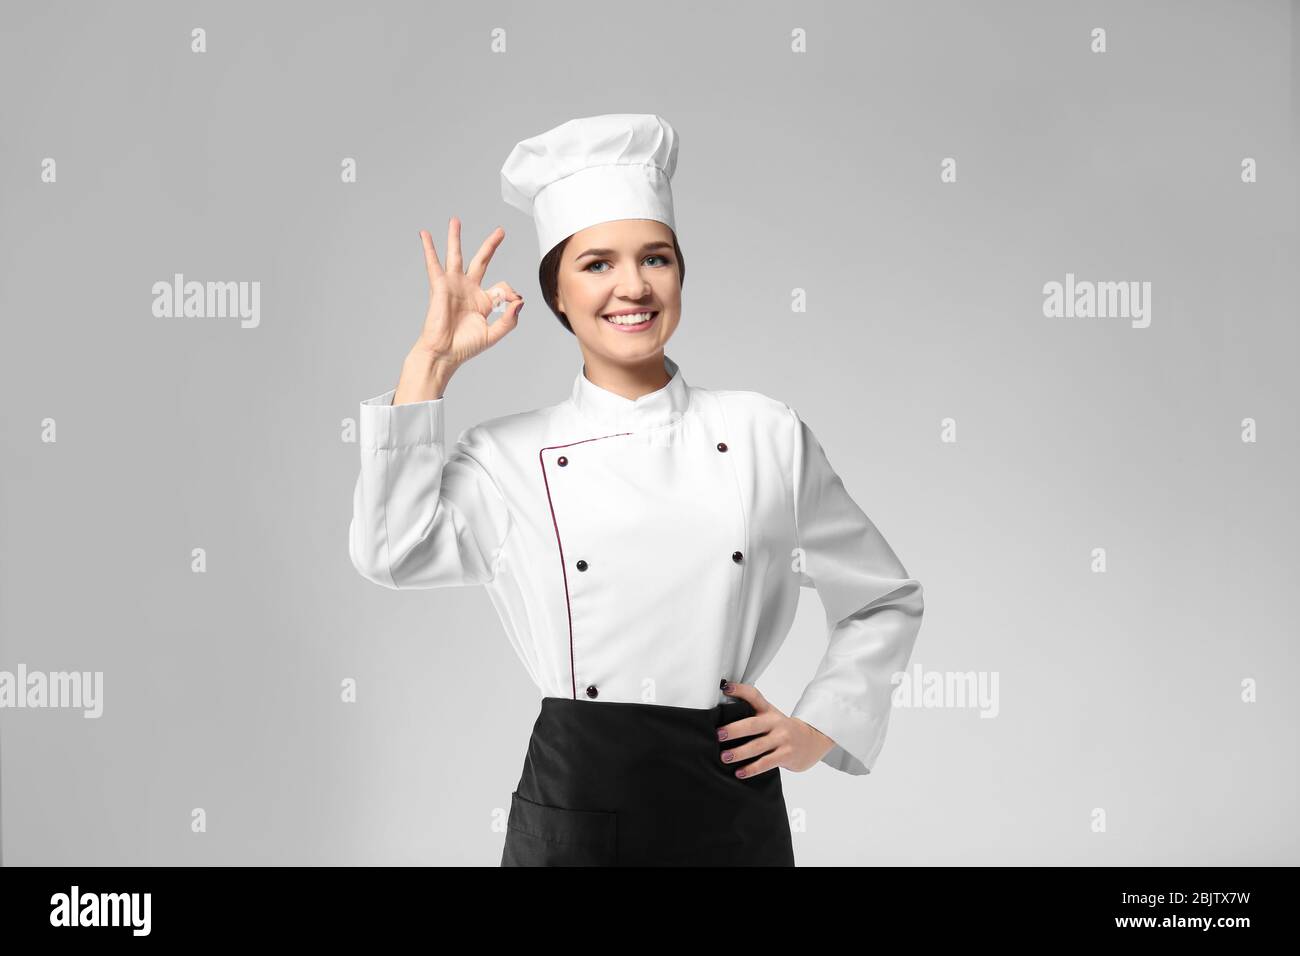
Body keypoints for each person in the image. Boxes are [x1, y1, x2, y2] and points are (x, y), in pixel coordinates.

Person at [348, 114, 925, 867]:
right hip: (576, 806)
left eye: (655, 258)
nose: (633, 287)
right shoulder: (508, 454)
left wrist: (819, 727)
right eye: (596, 264)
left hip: (728, 805)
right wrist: (430, 363)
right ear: (555, 291)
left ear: (681, 273)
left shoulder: (763, 433)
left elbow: (882, 596)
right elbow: (390, 551)